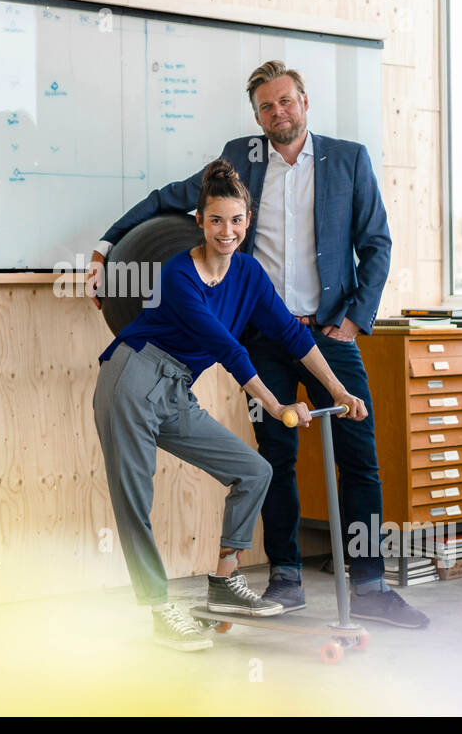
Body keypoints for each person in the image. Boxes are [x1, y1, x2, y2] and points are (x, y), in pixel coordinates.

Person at [89, 60, 429, 629]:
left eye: (287, 101)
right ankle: (286, 576)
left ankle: (369, 583)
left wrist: (355, 319)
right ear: (256, 114)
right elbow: (165, 199)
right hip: (259, 340)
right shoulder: (239, 162)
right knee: (275, 457)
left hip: (325, 331)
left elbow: (377, 243)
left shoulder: (348, 160)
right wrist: (105, 248)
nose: (279, 112)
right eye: (267, 106)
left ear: (305, 101)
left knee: (360, 458)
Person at [93, 159, 367, 652]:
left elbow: (290, 334)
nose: (228, 231)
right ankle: (158, 611)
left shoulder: (249, 273)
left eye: (237, 220)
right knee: (136, 499)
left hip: (175, 389)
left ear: (247, 221)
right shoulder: (179, 273)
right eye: (216, 220)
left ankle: (224, 580)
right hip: (132, 377)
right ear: (199, 220)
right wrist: (279, 404)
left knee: (255, 471)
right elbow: (227, 348)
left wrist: (339, 391)